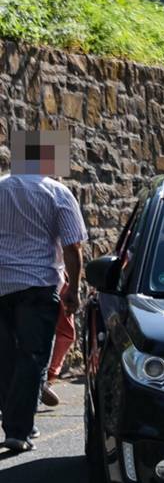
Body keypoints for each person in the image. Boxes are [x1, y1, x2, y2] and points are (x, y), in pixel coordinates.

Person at [0, 151, 86, 454]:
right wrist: (73, 289)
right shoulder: (58, 193)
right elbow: (72, 246)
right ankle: (18, 428)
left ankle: (18, 417)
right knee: (33, 356)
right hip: (38, 284)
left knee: (6, 355)